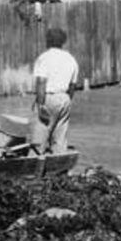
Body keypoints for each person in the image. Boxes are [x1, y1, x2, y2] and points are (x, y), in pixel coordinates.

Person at [31, 27, 79, 155]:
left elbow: (41, 82)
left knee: (39, 137)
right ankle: (59, 165)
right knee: (60, 138)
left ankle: (35, 164)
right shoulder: (71, 59)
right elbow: (72, 86)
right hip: (64, 98)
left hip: (48, 98)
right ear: (63, 41)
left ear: (47, 41)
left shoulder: (44, 58)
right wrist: (66, 100)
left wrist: (40, 104)